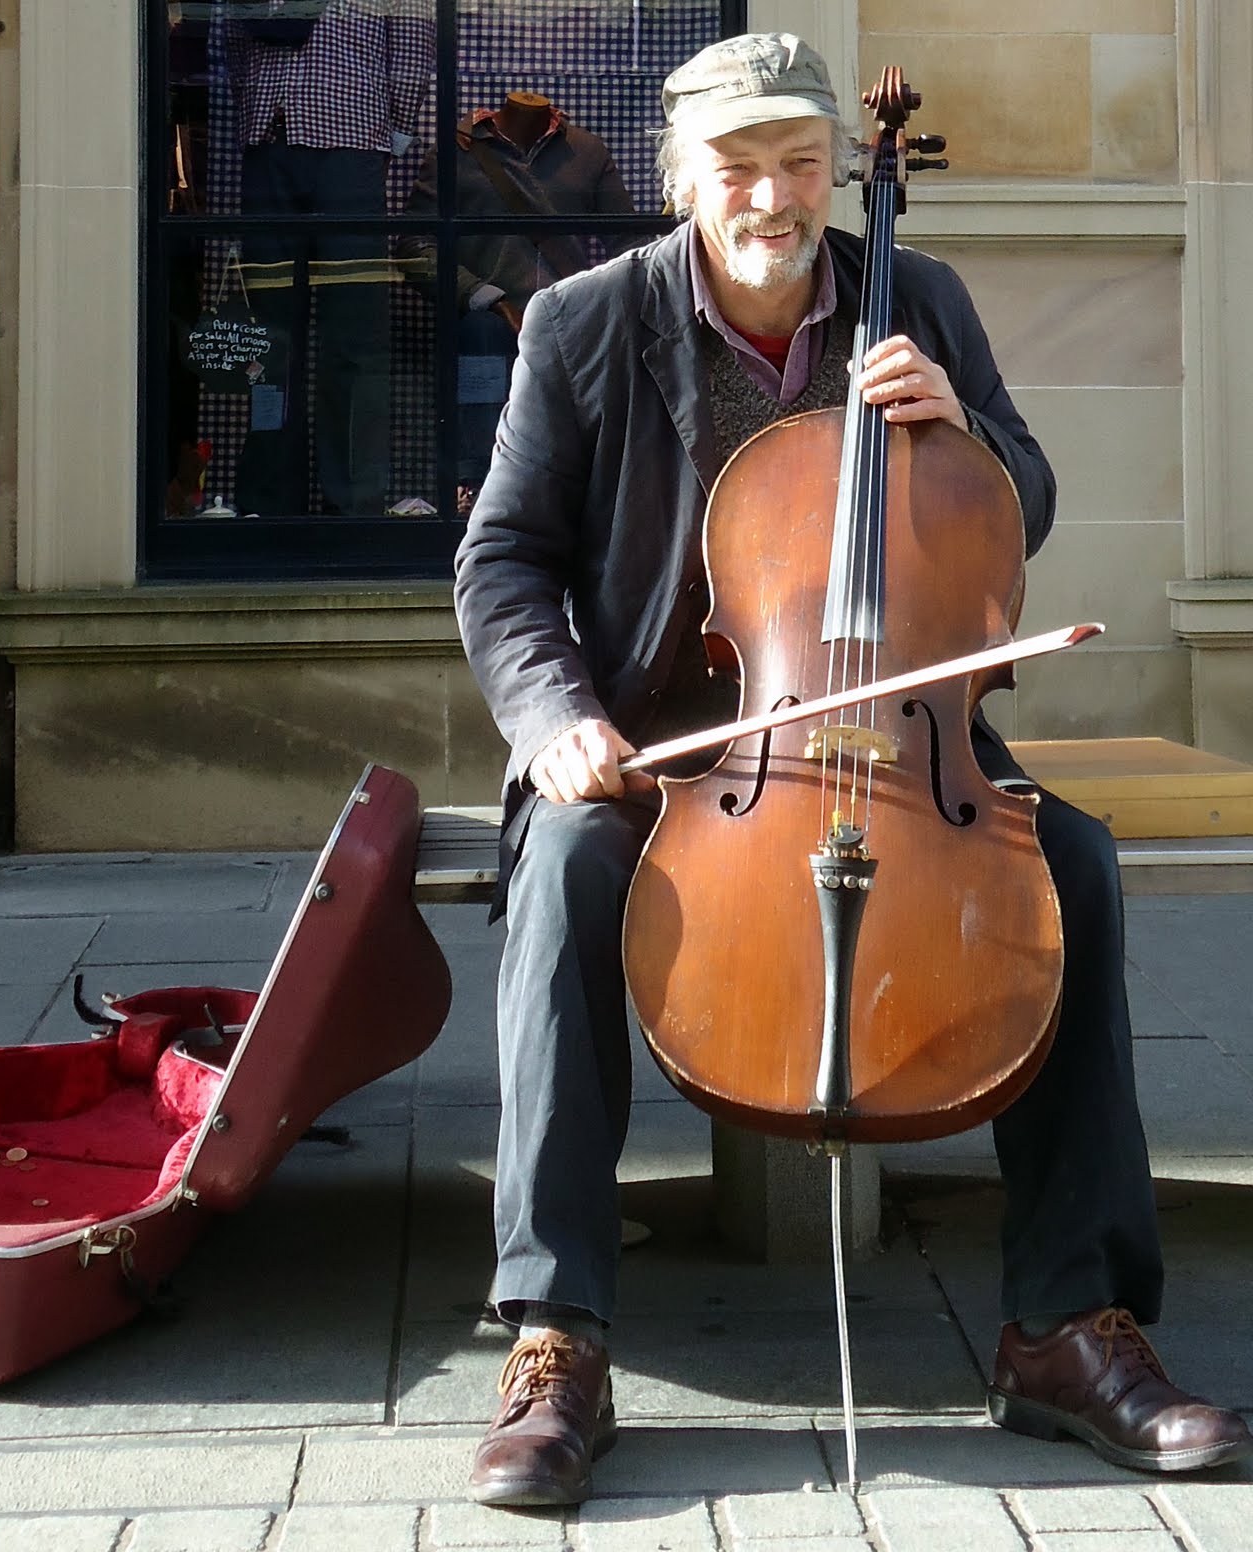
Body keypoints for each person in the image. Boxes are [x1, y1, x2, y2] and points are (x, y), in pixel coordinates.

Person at [452, 31, 1252, 1509]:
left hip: (889, 734)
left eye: (802, 164)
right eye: (741, 166)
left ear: (836, 170)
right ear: (685, 176)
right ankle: (557, 1335)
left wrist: (972, 438)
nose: (774, 195)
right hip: (655, 745)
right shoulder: (580, 322)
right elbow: (500, 562)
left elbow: (1028, 495)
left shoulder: (918, 296)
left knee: (1068, 859)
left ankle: (1070, 1324)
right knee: (562, 875)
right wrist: (556, 717)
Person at [224, 0, 434, 517]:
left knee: (354, 332)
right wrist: (252, 104)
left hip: (347, 145)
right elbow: (230, 30)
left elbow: (414, 43)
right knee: (268, 335)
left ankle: (353, 496)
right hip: (275, 138)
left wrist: (392, 131)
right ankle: (272, 497)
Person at [397, 92, 637, 510]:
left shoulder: (585, 150)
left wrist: (599, 303)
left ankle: (590, 494)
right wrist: (482, 296)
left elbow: (629, 242)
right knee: (481, 347)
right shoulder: (458, 152)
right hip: (484, 319)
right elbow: (415, 245)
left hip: (570, 315)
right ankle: (474, 486)